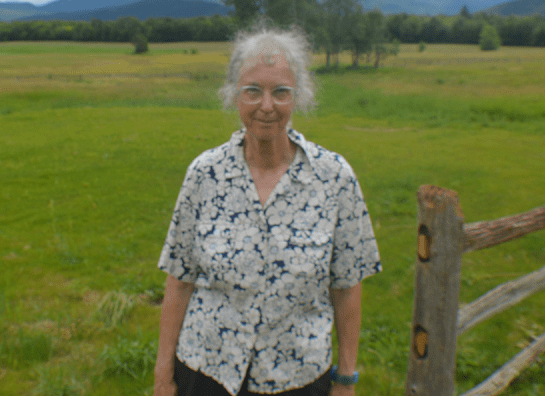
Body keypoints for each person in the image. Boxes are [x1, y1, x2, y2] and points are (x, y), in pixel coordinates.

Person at [154, 26, 381, 396]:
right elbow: (179, 281)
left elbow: (347, 286)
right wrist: (163, 375)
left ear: (299, 97)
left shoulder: (334, 177)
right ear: (234, 95)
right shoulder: (205, 174)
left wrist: (346, 379)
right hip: (206, 371)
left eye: (281, 92)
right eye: (253, 91)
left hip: (298, 376)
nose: (266, 106)